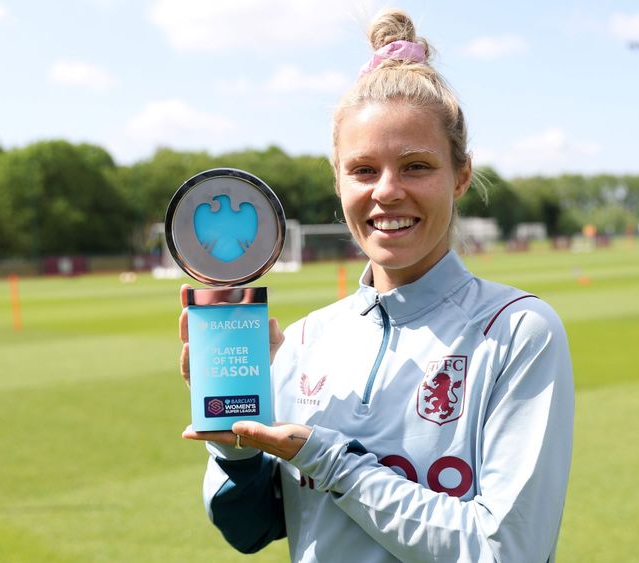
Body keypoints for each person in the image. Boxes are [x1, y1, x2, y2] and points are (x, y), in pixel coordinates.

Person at [178, 9, 574, 562]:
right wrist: (234, 442)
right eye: (363, 170)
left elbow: (507, 549)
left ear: (460, 175)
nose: (387, 192)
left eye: (415, 166)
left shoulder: (517, 332)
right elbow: (253, 531)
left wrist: (327, 458)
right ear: (337, 179)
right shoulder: (304, 342)